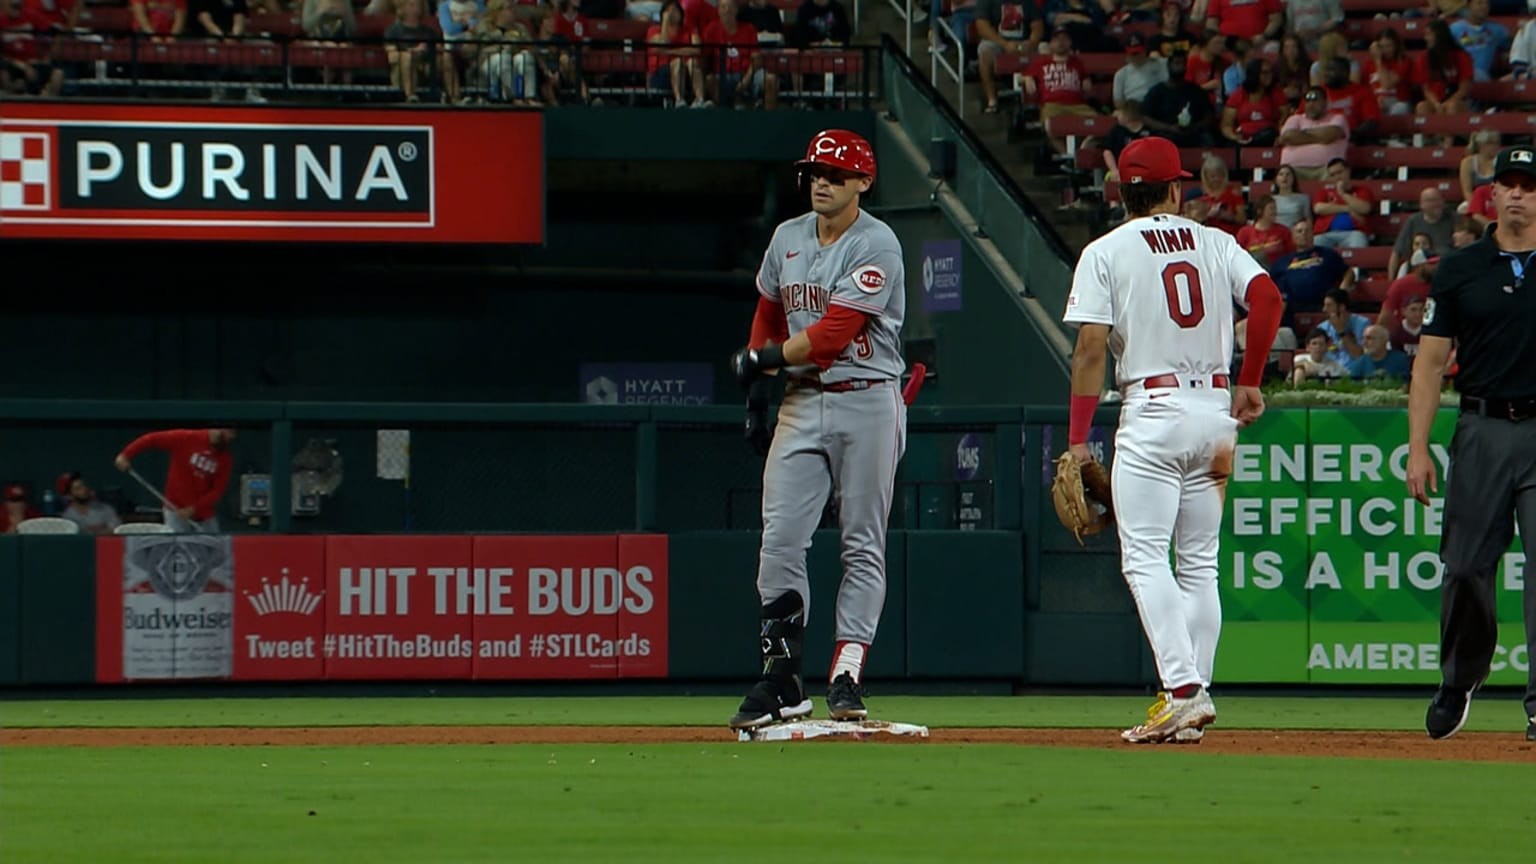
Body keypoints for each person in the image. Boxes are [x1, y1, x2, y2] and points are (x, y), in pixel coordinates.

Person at [1062, 135, 1282, 744]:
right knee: (1199, 564)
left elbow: (1088, 349)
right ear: (1176, 187)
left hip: (1153, 411)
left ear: (1122, 192)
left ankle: (1182, 691)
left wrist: (1079, 439)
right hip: (1214, 410)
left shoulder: (1105, 251)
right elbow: (1267, 297)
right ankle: (1194, 700)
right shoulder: (1217, 242)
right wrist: (1251, 380)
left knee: (1144, 558)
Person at [726, 130, 908, 731]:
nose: (821, 181)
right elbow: (768, 309)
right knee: (779, 539)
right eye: (814, 171)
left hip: (867, 399)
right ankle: (781, 677)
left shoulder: (877, 242)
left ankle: (847, 671)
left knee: (862, 543)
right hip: (802, 401)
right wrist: (758, 394)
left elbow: (831, 336)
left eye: (835, 172)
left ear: (863, 182)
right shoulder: (788, 237)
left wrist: (760, 362)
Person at [1409, 144, 1536, 742]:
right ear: (1491, 193)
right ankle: (1460, 680)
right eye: (1508, 183)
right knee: (1463, 569)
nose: (1518, 193)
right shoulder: (1460, 268)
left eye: (1528, 184)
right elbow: (1431, 364)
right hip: (1482, 426)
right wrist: (1417, 446)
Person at [114, 428, 236, 533]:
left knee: (213, 551)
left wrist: (194, 508)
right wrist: (126, 454)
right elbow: (152, 439)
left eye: (232, 434)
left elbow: (217, 491)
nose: (230, 436)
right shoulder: (186, 438)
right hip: (176, 510)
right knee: (176, 550)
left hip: (204, 514)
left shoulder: (225, 458)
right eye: (227, 431)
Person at [56, 472, 121, 535]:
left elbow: (116, 530)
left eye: (83, 485)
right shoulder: (68, 516)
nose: (84, 489)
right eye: (78, 488)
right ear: (70, 496)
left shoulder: (105, 509)